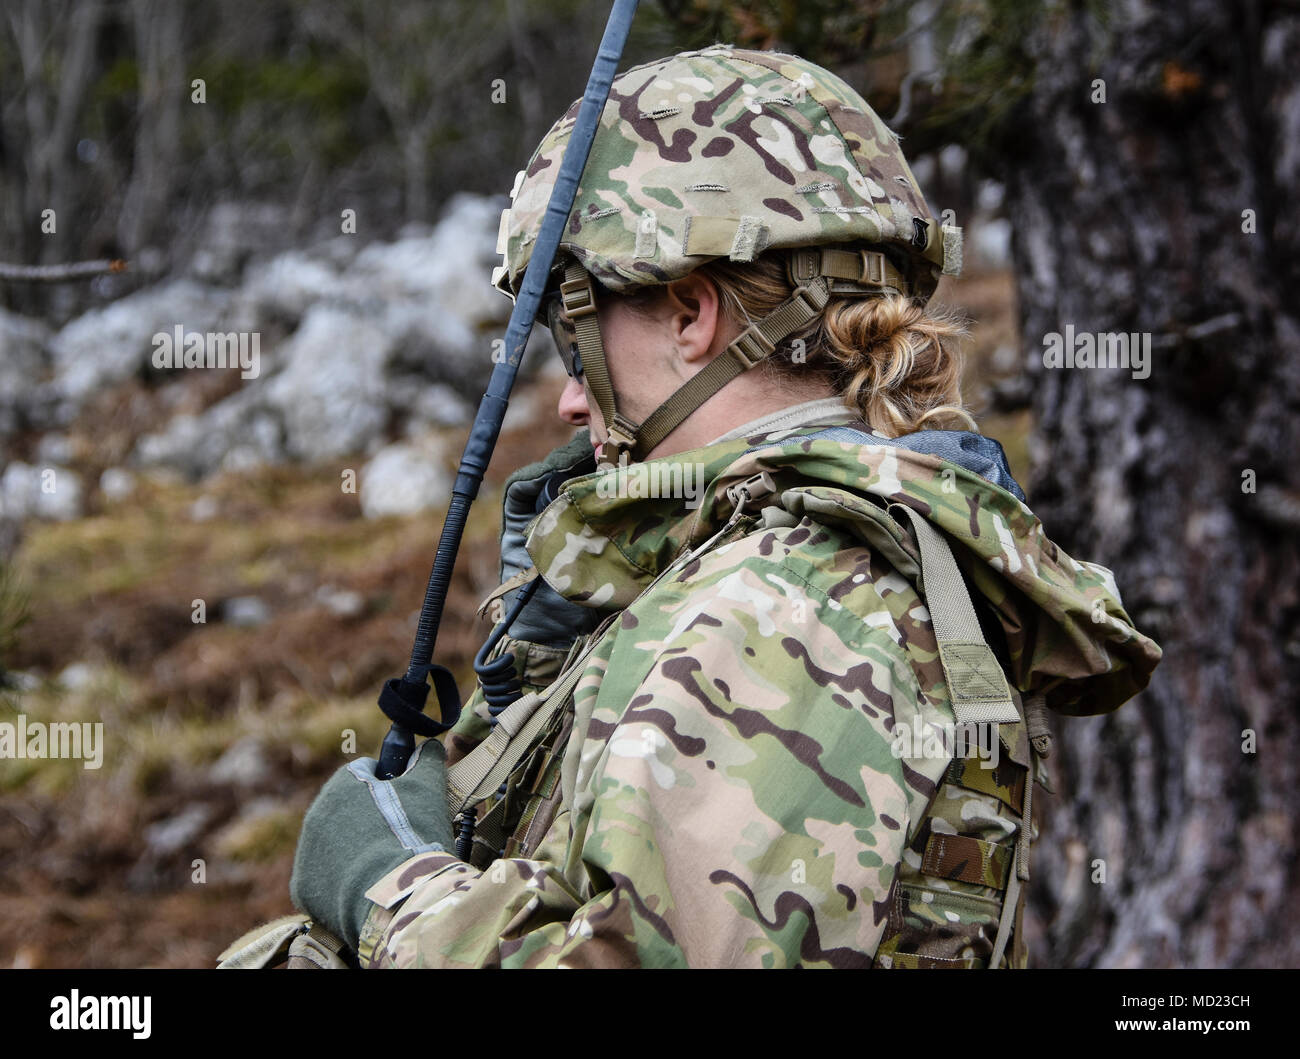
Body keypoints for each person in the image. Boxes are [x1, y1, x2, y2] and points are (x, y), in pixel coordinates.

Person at [269, 46, 1161, 969]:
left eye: (575, 345)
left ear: (692, 314)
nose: (574, 401)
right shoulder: (771, 573)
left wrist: (389, 888)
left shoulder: (791, 600)